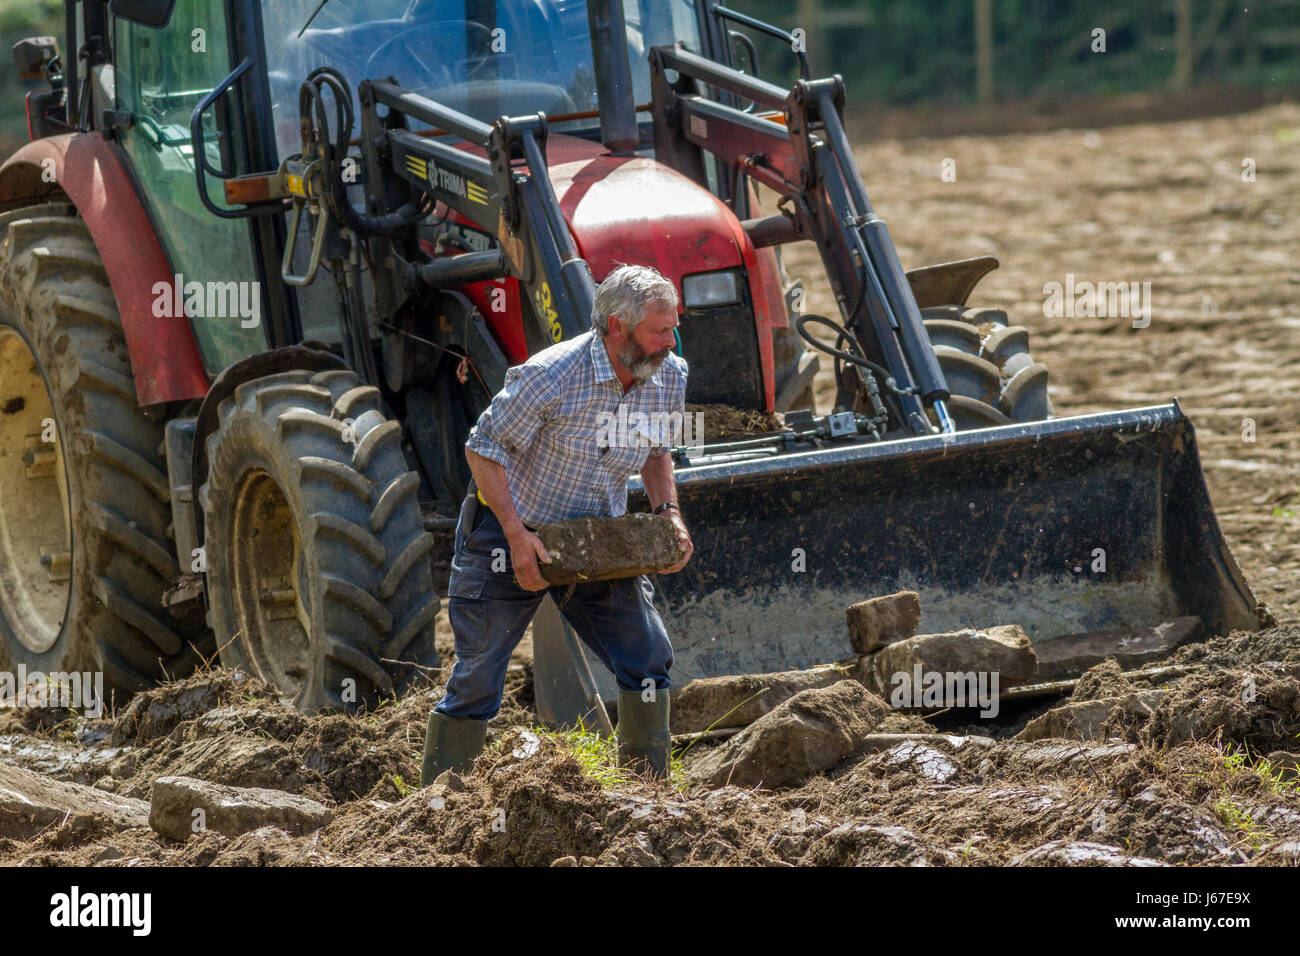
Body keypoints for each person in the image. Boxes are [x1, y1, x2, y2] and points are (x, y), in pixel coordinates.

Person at [421, 264, 693, 782]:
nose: (670, 340)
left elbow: (657, 454)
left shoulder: (669, 376)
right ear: (617, 326)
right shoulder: (553, 375)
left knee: (648, 659)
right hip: (509, 535)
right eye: (660, 329)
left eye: (673, 326)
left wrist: (669, 516)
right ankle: (437, 809)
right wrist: (517, 537)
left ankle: (647, 796)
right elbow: (482, 450)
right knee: (477, 680)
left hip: (595, 542)